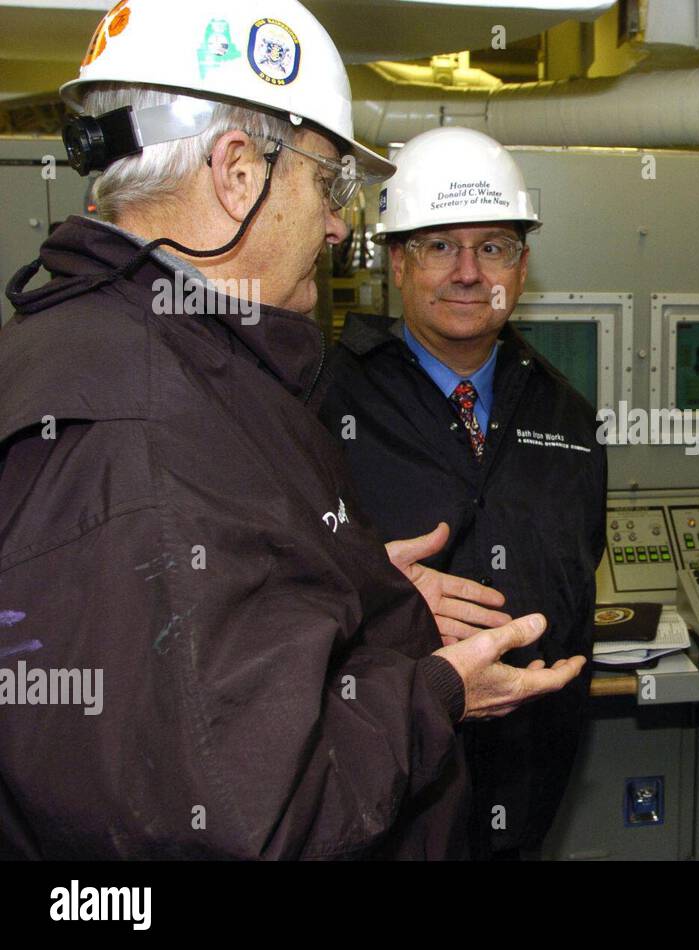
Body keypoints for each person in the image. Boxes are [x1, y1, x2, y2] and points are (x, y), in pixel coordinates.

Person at [0, 0, 584, 860]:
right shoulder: (147, 426)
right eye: (327, 183)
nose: (339, 223)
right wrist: (436, 696)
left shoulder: (152, 363)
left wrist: (340, 588)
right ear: (239, 172)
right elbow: (252, 815)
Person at [319, 127, 608, 859]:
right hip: (379, 789)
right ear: (396, 261)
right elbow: (263, 599)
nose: (469, 272)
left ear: (523, 263)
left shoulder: (565, 413)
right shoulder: (321, 401)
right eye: (440, 245)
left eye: (494, 246)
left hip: (527, 778)